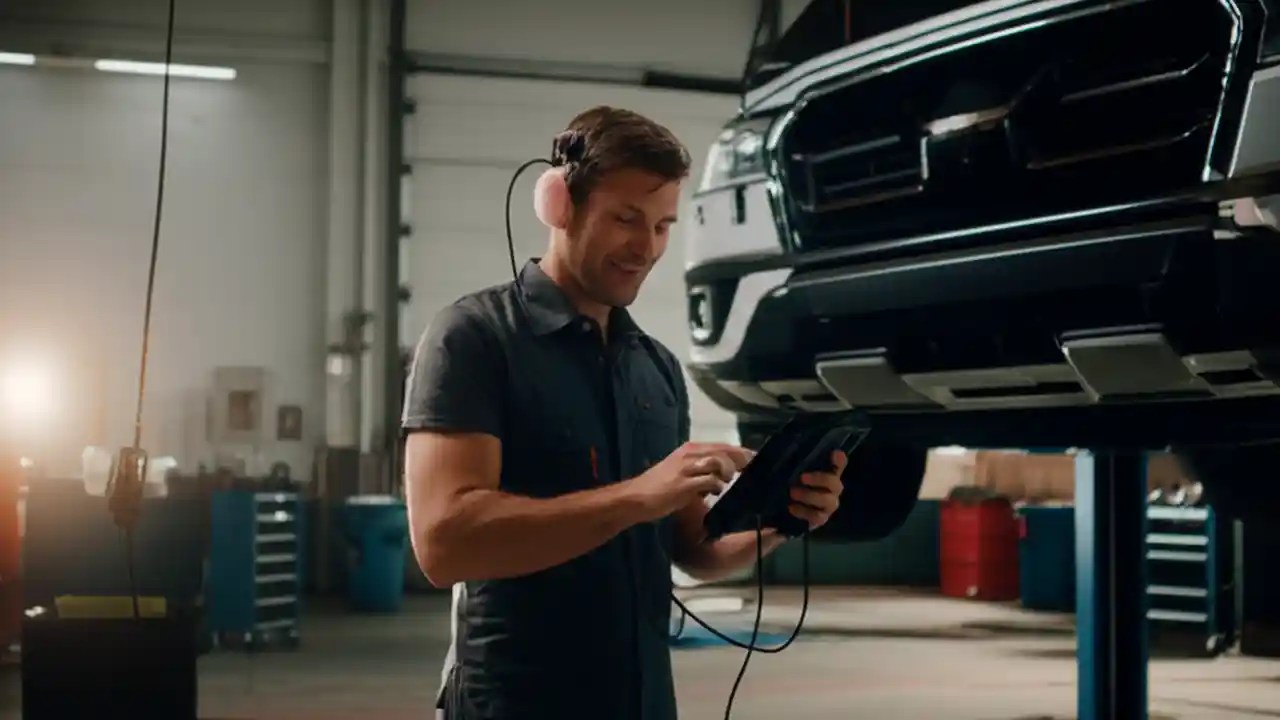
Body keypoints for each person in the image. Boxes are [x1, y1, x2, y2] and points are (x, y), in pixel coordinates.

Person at [401, 105, 848, 720]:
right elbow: (443, 543)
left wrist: (779, 519)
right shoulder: (473, 338)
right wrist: (638, 496)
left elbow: (694, 548)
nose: (646, 247)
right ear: (561, 205)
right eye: (625, 219)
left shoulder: (656, 368)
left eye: (663, 226)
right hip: (513, 702)